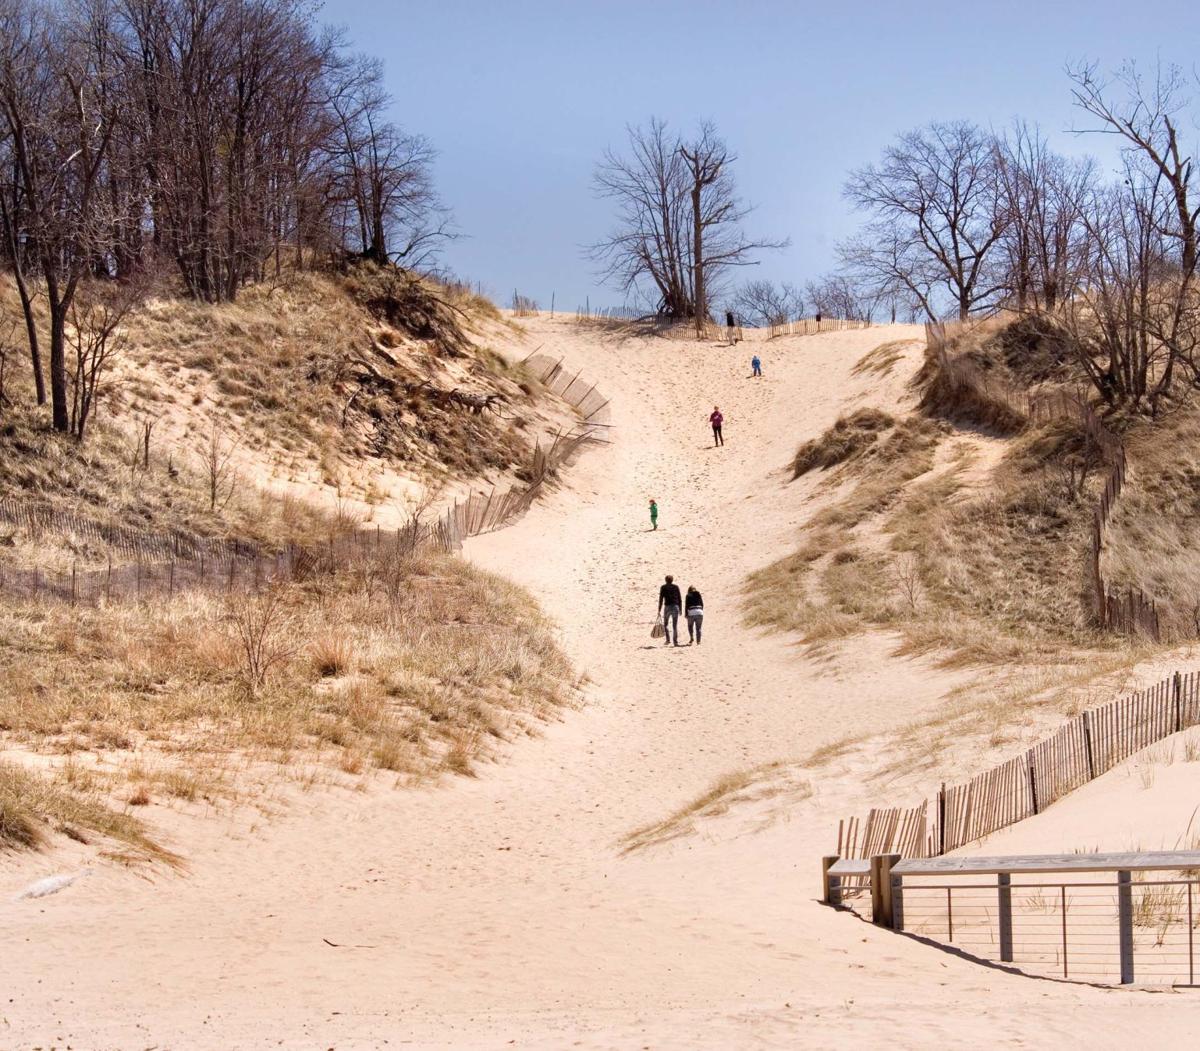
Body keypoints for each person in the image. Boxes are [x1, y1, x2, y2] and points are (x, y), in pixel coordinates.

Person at [658, 574, 682, 646]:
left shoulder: (663, 587)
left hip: (667, 607)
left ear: (665, 580)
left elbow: (661, 599)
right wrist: (680, 609)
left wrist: (659, 609)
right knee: (675, 625)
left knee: (666, 624)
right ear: (672, 580)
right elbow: (679, 598)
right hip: (675, 606)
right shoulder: (676, 587)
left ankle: (668, 640)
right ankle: (675, 642)